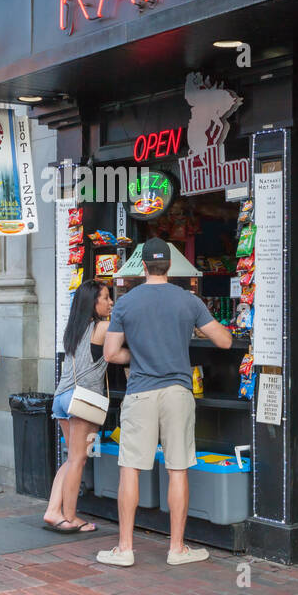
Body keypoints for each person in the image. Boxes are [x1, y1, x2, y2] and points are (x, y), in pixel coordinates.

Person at [98, 237, 233, 567]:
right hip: (178, 392)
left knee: (130, 469)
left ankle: (126, 549)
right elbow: (226, 341)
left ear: (143, 266)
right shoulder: (188, 300)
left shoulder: (126, 302)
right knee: (177, 469)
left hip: (140, 392)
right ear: (169, 266)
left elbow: (111, 352)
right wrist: (192, 333)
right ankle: (177, 549)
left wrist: (139, 354)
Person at [43, 281, 129, 534]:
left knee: (71, 458)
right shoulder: (103, 326)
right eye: (106, 298)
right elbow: (120, 350)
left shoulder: (75, 328)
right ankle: (70, 517)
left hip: (62, 397)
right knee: (79, 459)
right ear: (93, 303)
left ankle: (52, 511)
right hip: (82, 400)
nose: (111, 302)